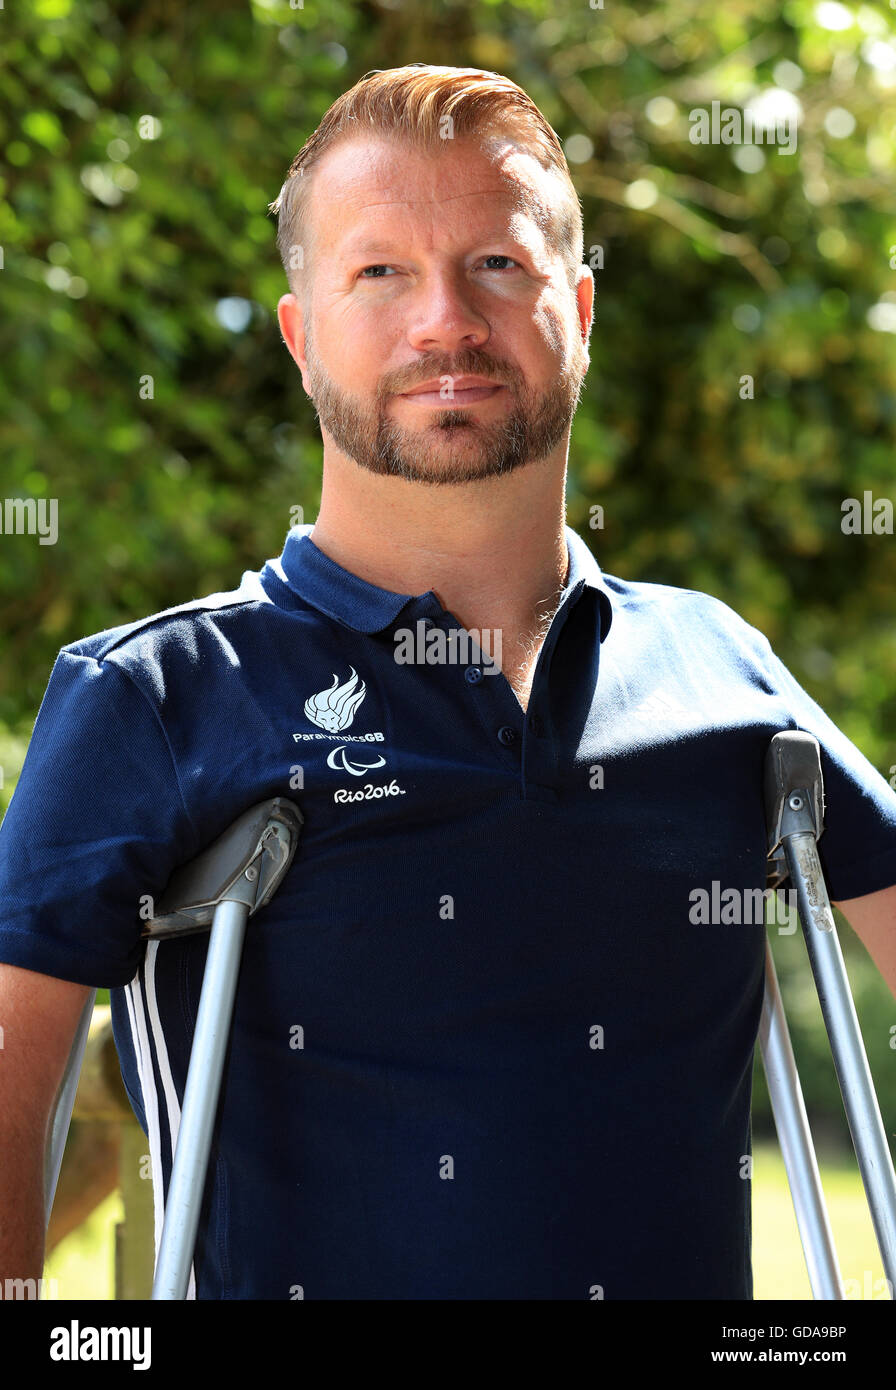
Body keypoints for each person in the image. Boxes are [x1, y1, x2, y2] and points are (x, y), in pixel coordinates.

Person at [1, 64, 895, 1301]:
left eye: (498, 265)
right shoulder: (153, 695)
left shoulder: (717, 666)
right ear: (300, 332)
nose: (444, 323)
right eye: (378, 272)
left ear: (577, 309)